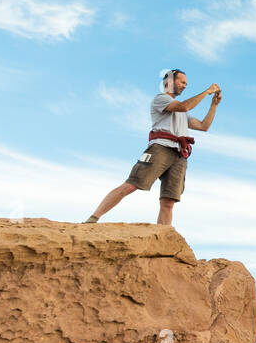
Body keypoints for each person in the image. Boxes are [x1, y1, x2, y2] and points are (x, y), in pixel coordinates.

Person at [85, 69, 222, 226]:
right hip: (160, 149)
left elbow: (204, 126)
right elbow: (184, 106)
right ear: (168, 82)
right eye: (181, 82)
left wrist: (214, 105)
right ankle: (93, 218)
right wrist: (207, 92)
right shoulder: (161, 99)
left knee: (168, 202)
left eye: (186, 84)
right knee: (131, 185)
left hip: (179, 155)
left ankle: (162, 238)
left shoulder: (182, 114)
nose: (184, 86)